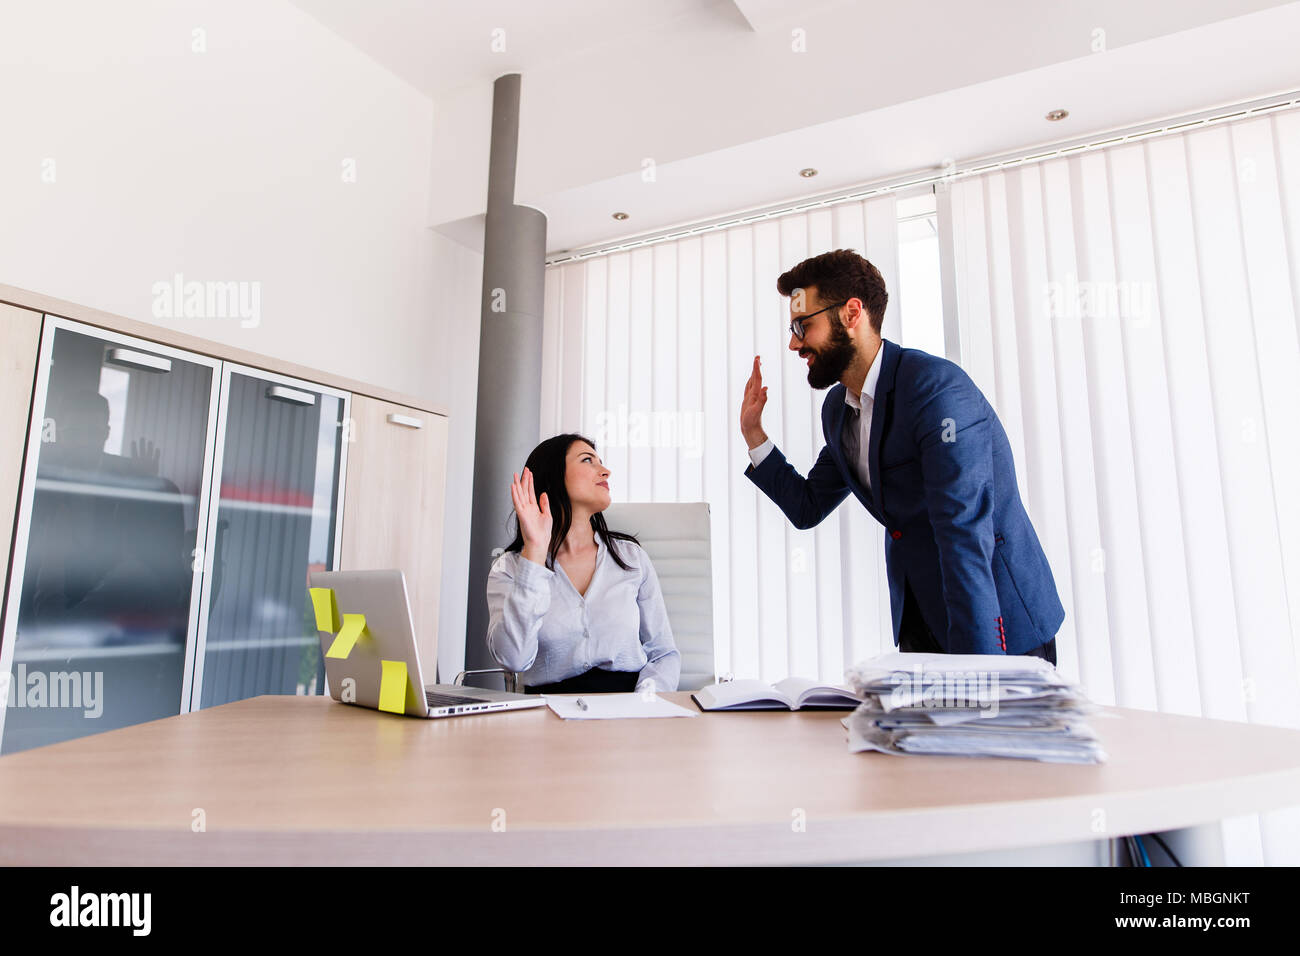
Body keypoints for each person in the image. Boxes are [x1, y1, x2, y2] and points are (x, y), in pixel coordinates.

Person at [740, 249, 1064, 661]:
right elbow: (808, 507)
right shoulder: (838, 409)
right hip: (920, 624)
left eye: (803, 325)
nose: (793, 343)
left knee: (987, 728)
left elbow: (964, 535)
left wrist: (980, 676)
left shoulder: (936, 391)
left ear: (851, 313)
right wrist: (754, 434)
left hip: (999, 625)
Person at [486, 434, 681, 693]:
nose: (606, 471)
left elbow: (663, 654)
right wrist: (534, 552)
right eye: (588, 460)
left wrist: (643, 701)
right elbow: (513, 659)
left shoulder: (631, 558)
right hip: (548, 717)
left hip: (628, 713)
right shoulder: (509, 569)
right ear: (554, 475)